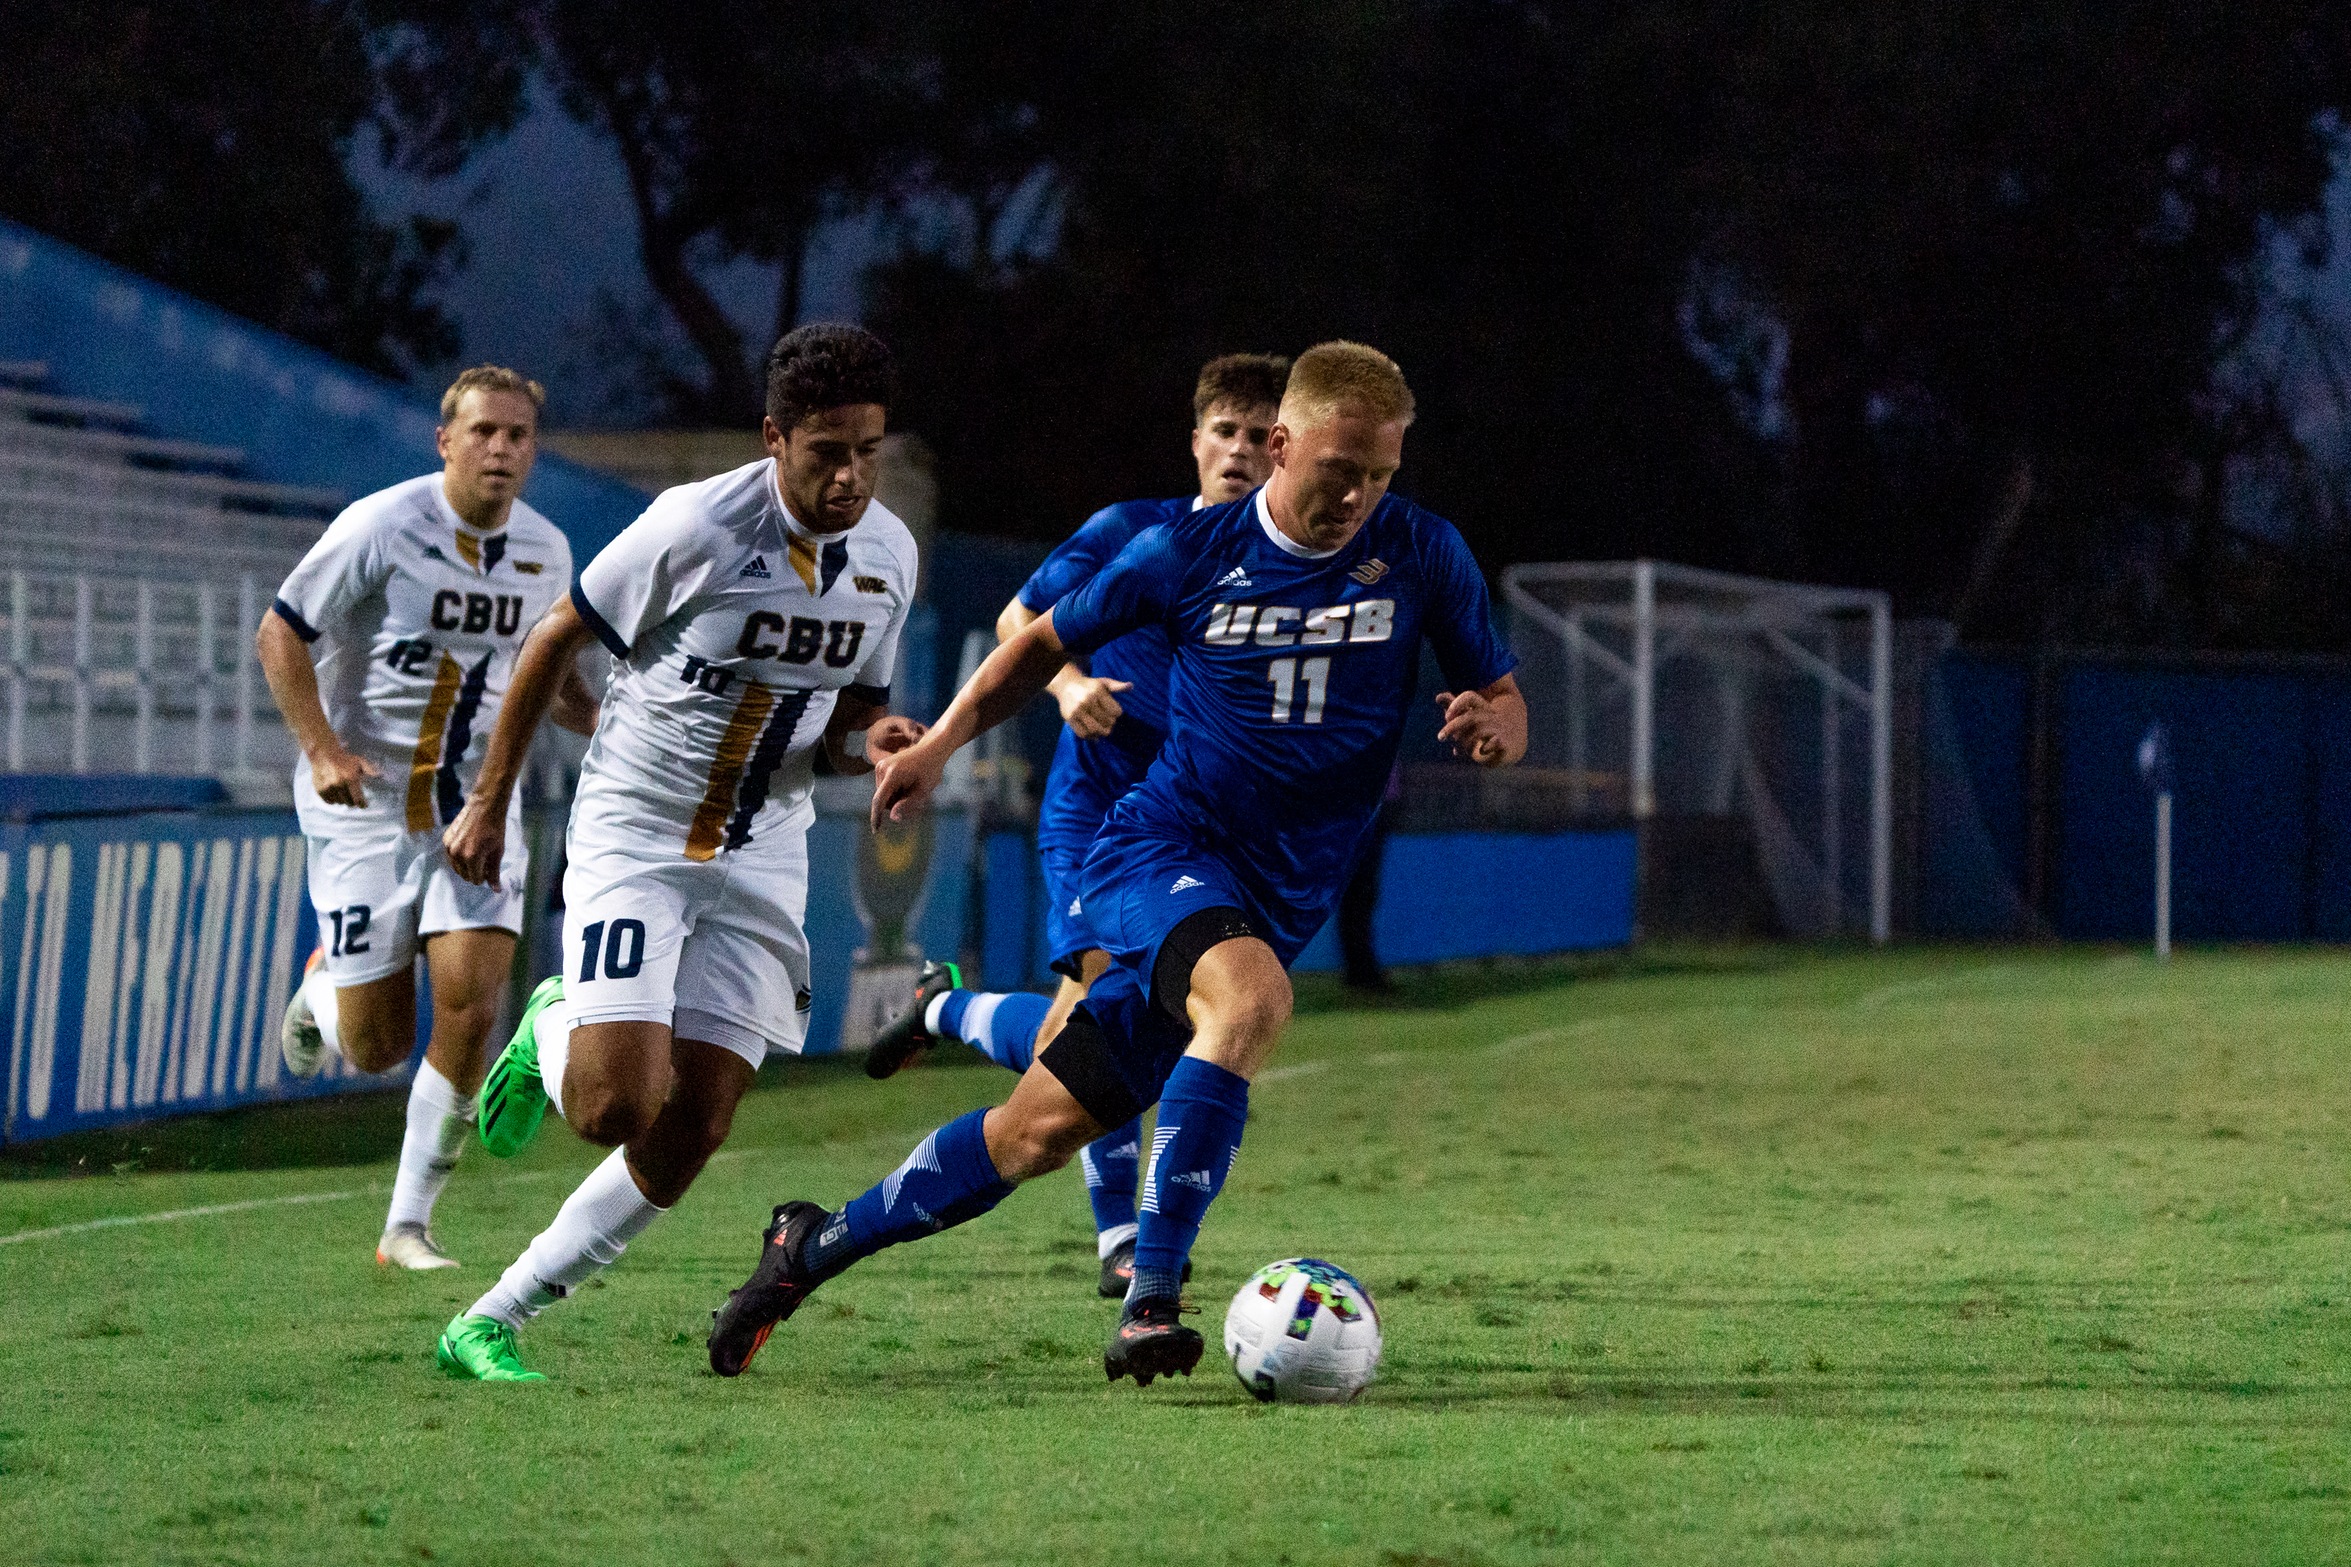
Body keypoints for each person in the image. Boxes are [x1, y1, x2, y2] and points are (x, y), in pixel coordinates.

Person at [706, 341, 1526, 1386]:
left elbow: (1500, 692)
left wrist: (1496, 721)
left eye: (1378, 473)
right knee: (1249, 1002)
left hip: (1279, 888)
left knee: (1033, 1132)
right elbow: (1036, 640)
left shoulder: (1421, 552)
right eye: (1336, 470)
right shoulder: (1182, 552)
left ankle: (807, 1248)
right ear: (1283, 446)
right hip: (1159, 848)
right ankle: (1150, 1295)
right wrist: (938, 745)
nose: (1357, 494)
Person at [429, 325, 926, 1382]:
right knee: (613, 1105)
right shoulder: (695, 524)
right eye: (824, 452)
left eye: (867, 452)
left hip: (766, 849)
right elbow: (552, 638)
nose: (847, 477)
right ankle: (554, 1016)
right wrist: (486, 801)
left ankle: (492, 1316)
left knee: (694, 1123)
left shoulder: (889, 555)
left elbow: (853, 719)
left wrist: (874, 744)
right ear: (773, 439)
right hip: (638, 832)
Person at [861, 353, 1287, 1297]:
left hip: (1190, 831)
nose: (1241, 452)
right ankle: (1120, 1243)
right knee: (1109, 1010)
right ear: (1196, 440)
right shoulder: (1134, 531)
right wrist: (1068, 684)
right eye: (1226, 432)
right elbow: (1023, 617)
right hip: (1100, 819)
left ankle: (939, 1005)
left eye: (1261, 438)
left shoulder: (1290, 571)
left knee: (1090, 1044)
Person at [261, 365, 591, 1271]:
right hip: (364, 802)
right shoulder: (382, 525)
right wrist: (323, 748)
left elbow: (549, 678)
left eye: (519, 435)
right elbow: (279, 631)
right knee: (377, 1047)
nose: (501, 448)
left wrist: (605, 727)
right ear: (445, 441)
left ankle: (406, 1226)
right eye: (483, 431)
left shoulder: (547, 551)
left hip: (476, 805)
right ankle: (327, 988)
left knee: (472, 1007)